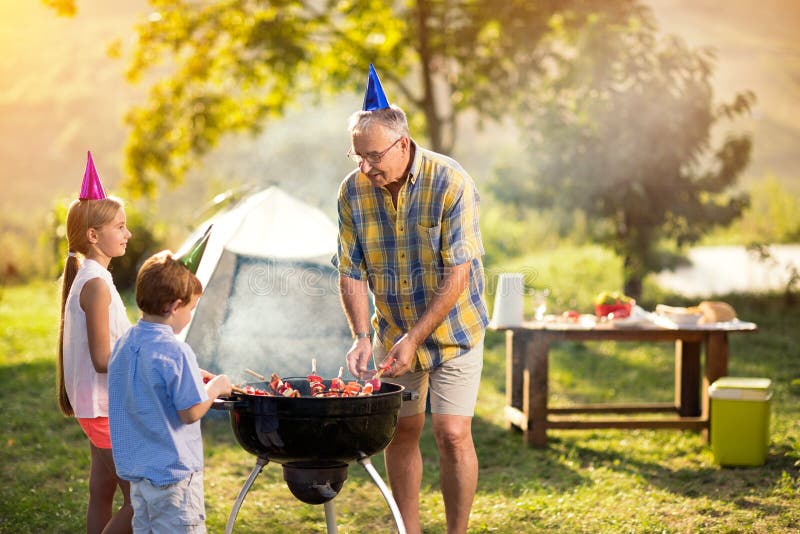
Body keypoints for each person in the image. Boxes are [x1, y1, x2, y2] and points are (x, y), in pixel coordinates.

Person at [337, 65, 488, 534]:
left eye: (374, 156)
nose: (366, 167)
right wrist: (362, 336)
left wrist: (415, 338)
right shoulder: (352, 191)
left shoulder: (451, 183)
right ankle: (411, 532)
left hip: (454, 328)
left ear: (403, 144)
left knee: (451, 433)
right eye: (358, 156)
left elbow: (457, 273)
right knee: (401, 431)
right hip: (392, 328)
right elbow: (350, 269)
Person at [108, 236, 232, 534]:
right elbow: (190, 411)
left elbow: (147, 383)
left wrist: (191, 374)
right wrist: (215, 387)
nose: (189, 316)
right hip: (174, 481)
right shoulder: (176, 351)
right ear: (175, 306)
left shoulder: (126, 341)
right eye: (190, 309)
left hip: (139, 477)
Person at [57, 151, 134, 533]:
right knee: (143, 501)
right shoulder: (95, 284)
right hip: (105, 407)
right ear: (93, 235)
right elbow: (104, 358)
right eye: (120, 227)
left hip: (98, 405)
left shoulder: (91, 278)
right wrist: (148, 360)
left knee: (101, 490)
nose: (127, 234)